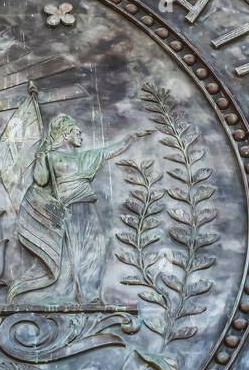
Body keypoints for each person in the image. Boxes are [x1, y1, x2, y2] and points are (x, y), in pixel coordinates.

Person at [10, 114, 152, 303]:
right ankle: (80, 295)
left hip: (87, 207)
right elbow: (41, 180)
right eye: (77, 132)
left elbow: (110, 151)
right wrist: (40, 156)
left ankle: (90, 296)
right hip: (69, 210)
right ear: (66, 134)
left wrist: (130, 138)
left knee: (96, 249)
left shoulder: (86, 156)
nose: (81, 136)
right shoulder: (52, 156)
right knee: (75, 251)